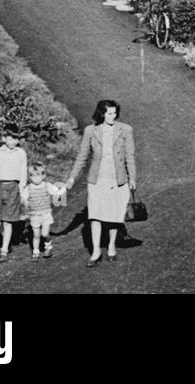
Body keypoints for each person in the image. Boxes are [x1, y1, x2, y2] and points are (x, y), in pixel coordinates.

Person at [66, 99, 137, 267]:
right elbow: (82, 156)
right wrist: (71, 177)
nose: (112, 116)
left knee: (114, 216)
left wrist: (132, 178)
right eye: (109, 113)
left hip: (118, 180)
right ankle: (96, 250)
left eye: (114, 113)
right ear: (101, 114)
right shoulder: (91, 131)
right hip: (97, 180)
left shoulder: (125, 130)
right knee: (95, 216)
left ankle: (111, 246)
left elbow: (130, 156)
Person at [0, 127, 28, 261]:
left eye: (16, 139)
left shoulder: (20, 153)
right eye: (10, 138)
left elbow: (23, 172)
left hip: (13, 186)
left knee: (8, 220)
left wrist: (21, 189)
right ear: (4, 138)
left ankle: (4, 250)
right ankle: (6, 239)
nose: (13, 142)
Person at [24, 165, 55, 260]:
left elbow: (56, 192)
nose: (35, 178)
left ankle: (48, 246)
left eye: (38, 175)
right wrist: (25, 209)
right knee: (36, 235)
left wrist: (63, 189)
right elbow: (24, 199)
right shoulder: (28, 188)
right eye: (32, 176)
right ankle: (36, 251)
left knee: (44, 234)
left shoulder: (47, 185)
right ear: (29, 177)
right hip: (34, 215)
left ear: (43, 175)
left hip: (45, 213)